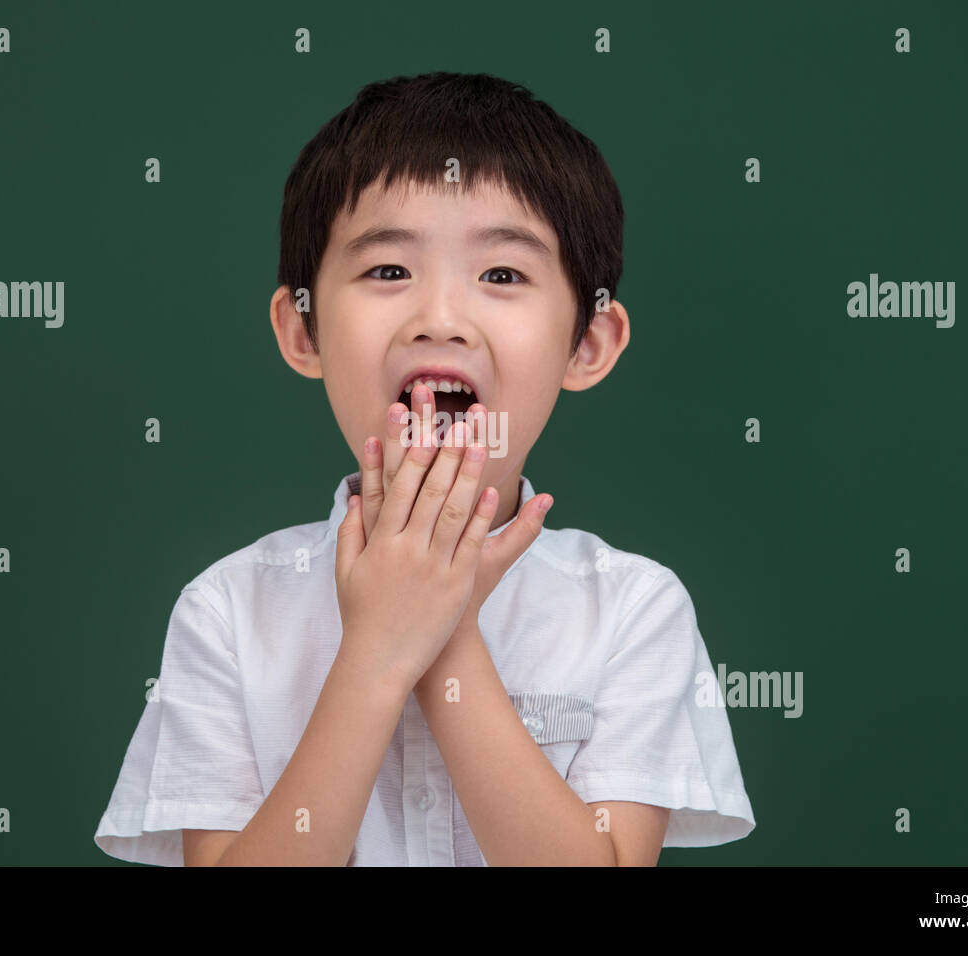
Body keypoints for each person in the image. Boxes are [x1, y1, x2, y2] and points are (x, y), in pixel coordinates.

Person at [93, 71, 755, 866]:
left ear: (589, 343)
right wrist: (376, 650)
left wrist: (445, 631)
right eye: (387, 272)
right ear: (301, 331)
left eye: (502, 275)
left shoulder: (634, 610)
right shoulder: (228, 613)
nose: (440, 319)